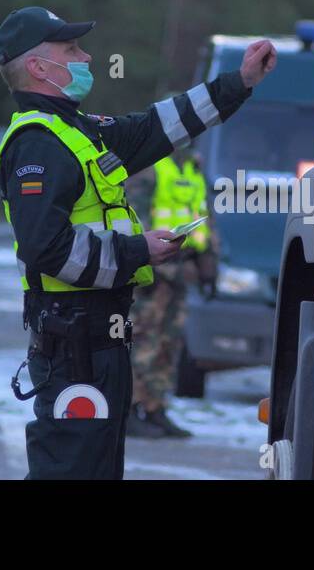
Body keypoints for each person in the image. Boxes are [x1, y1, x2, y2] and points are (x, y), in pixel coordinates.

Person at [0, 6, 276, 479]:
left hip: (98, 342)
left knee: (93, 471)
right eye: (71, 50)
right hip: (73, 345)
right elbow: (47, 249)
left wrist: (239, 82)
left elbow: (156, 126)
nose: (85, 57)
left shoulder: (77, 130)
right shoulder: (37, 144)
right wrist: (137, 250)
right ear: (39, 68)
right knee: (70, 471)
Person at [124, 150, 217, 438]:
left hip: (180, 271)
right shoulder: (150, 168)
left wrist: (208, 263)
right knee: (141, 340)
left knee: (168, 343)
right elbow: (132, 218)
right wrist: (143, 262)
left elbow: (203, 217)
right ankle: (128, 410)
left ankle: (155, 408)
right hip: (154, 271)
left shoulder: (193, 169)